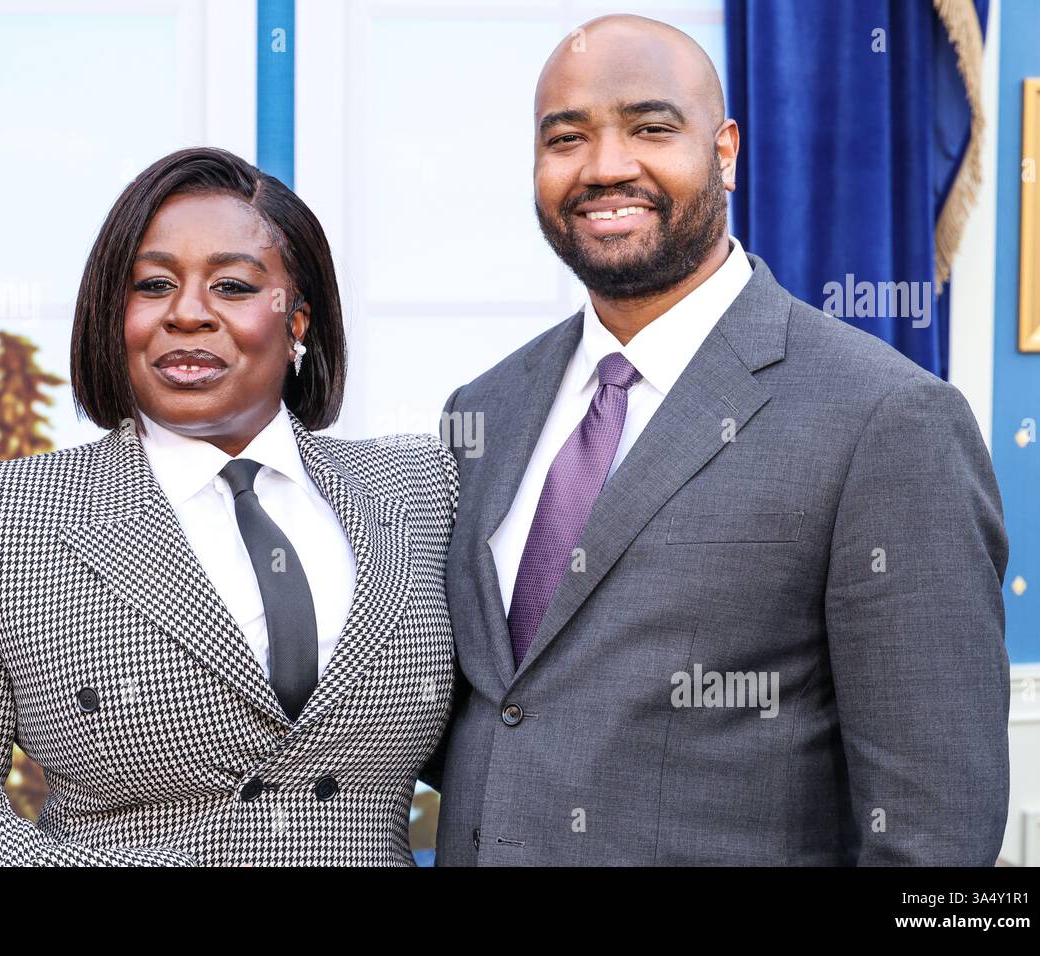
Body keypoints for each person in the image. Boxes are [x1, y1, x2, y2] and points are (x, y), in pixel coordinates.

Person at [425, 15, 1009, 865]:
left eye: (651, 127)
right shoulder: (482, 413)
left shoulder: (888, 421)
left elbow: (935, 833)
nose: (606, 166)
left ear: (726, 150)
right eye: (567, 138)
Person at [0, 147, 458, 866]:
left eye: (232, 285)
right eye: (153, 284)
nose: (187, 313)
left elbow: (518, 729)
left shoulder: (423, 488)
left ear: (298, 323)